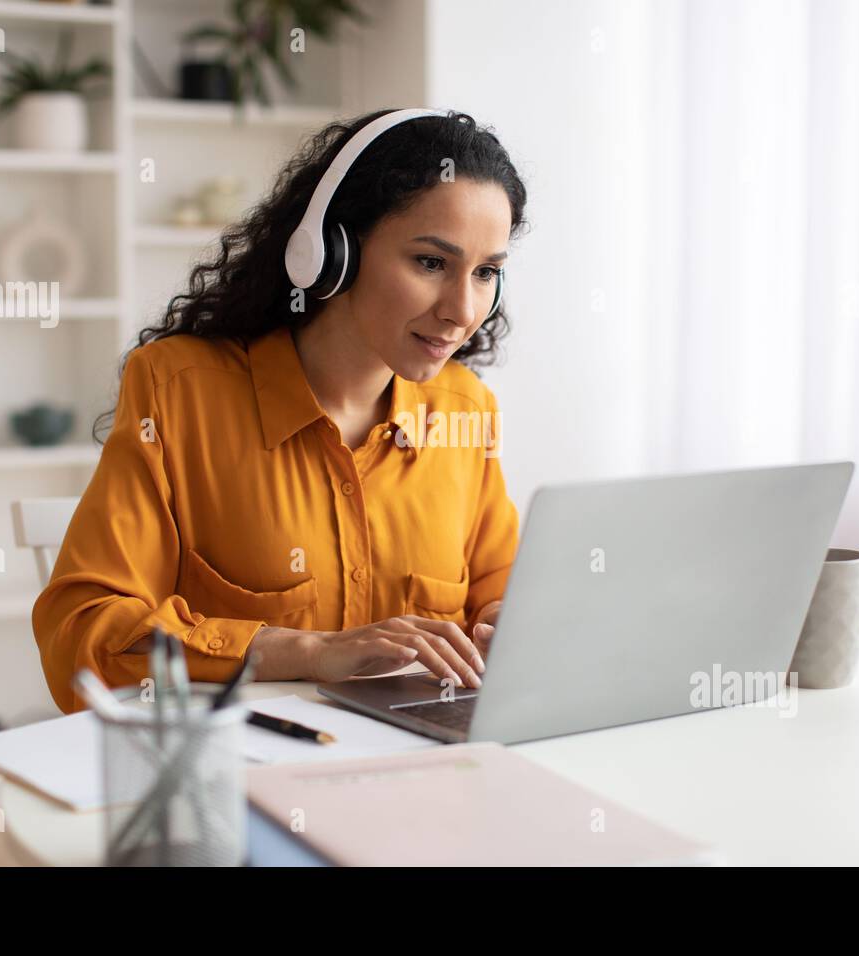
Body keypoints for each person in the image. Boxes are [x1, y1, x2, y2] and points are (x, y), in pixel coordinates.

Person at [32, 108, 529, 714]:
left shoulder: (464, 408)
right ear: (332, 252)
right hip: (241, 774)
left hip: (423, 769)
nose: (462, 309)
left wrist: (511, 627)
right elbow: (81, 634)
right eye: (431, 263)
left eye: (485, 273)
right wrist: (306, 650)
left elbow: (497, 592)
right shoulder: (178, 390)